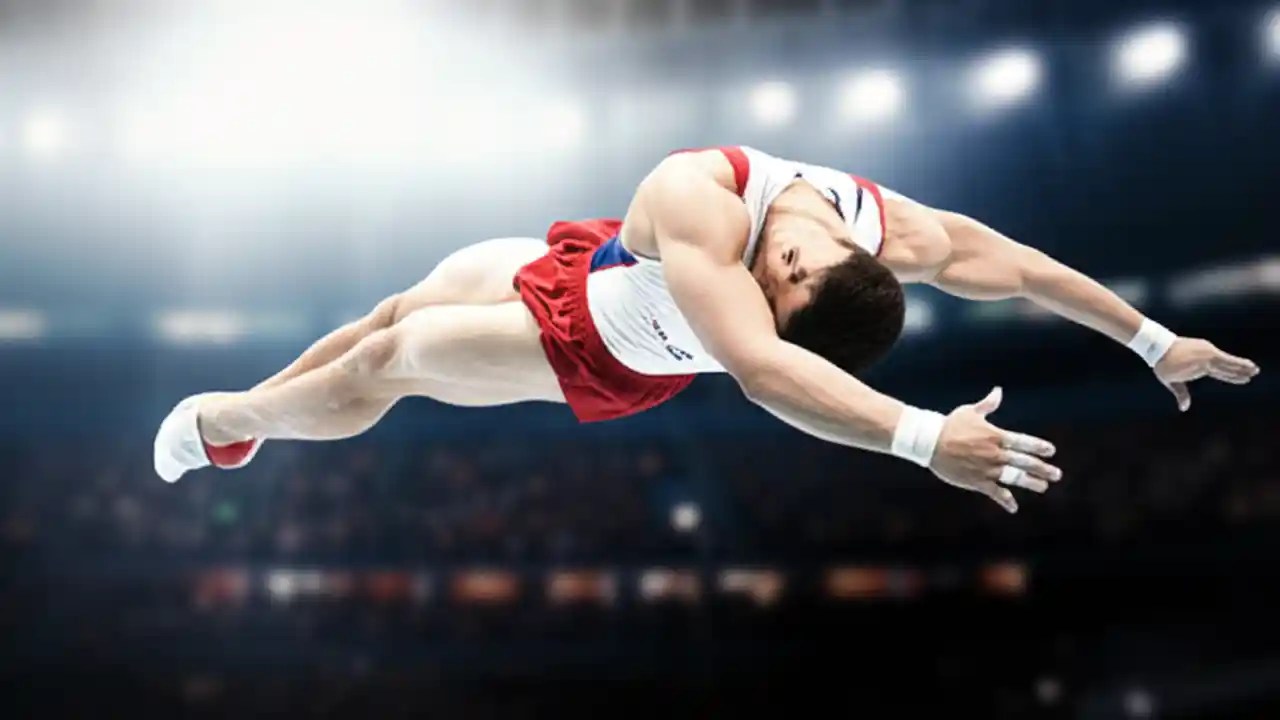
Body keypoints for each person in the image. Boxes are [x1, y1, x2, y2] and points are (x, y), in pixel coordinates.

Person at [154, 146, 1259, 512]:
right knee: (391, 310)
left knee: (391, 358)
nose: (755, 289)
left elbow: (765, 368)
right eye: (778, 279)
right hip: (585, 265)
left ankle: (225, 423)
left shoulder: (785, 301)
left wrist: (922, 439)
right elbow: (1021, 266)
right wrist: (1151, 339)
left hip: (598, 352)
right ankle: (249, 419)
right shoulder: (703, 196)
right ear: (833, 253)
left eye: (768, 300)